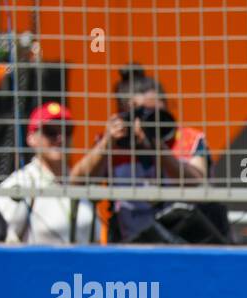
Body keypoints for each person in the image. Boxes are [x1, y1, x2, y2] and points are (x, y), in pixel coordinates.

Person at [70, 66, 211, 242]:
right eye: (145, 115)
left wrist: (158, 149)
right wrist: (107, 143)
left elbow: (197, 183)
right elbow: (77, 181)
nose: (152, 122)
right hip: (129, 246)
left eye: (158, 114)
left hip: (183, 242)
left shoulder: (189, 139)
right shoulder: (112, 144)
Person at [0, 102, 94, 244]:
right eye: (51, 132)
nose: (60, 138)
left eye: (67, 131)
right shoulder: (21, 183)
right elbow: (1, 240)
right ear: (31, 138)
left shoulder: (83, 182)